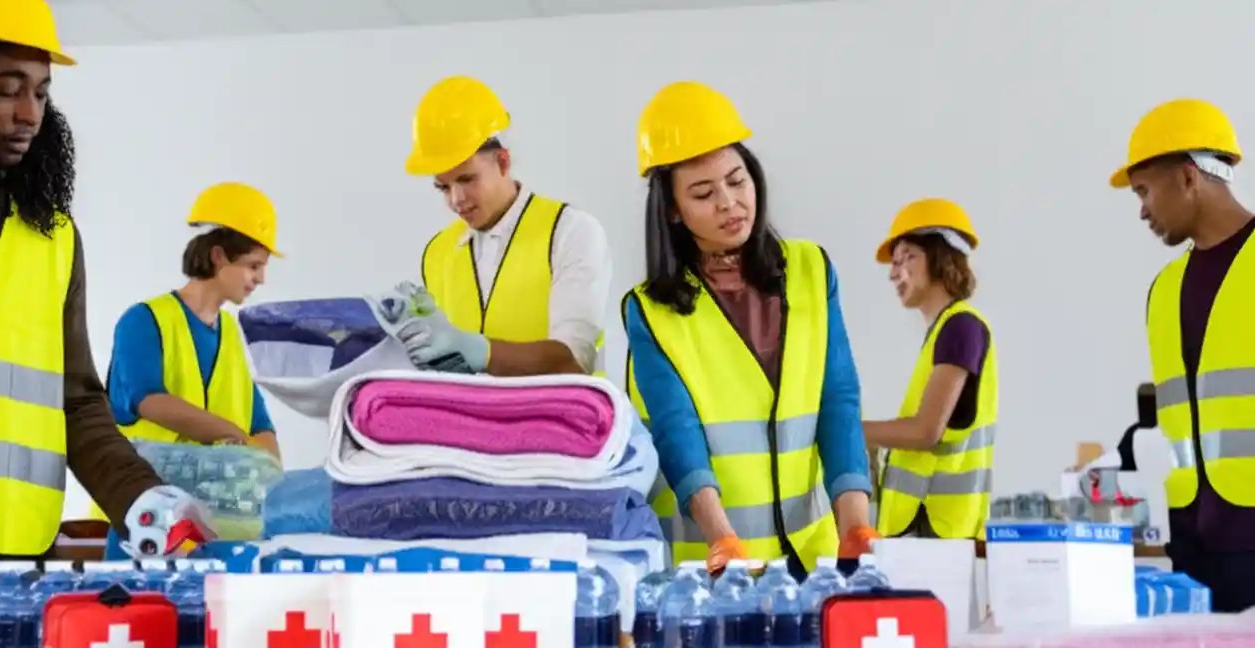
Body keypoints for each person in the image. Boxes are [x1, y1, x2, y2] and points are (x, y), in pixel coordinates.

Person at [0, 0, 210, 560]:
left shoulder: (51, 237)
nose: (29, 113)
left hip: (11, 551)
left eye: (41, 92)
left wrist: (143, 499)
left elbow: (76, 403)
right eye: (8, 89)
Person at [622, 80, 877, 578]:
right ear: (673, 211)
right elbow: (677, 432)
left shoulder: (811, 270)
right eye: (703, 193)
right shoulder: (651, 310)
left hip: (814, 556)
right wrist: (721, 539)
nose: (728, 203)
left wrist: (856, 526)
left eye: (737, 181)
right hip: (715, 567)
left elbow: (838, 400)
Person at [1111, 98, 1255, 612]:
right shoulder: (1164, 289)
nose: (1143, 209)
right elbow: (1180, 412)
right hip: (1192, 542)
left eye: (1145, 191)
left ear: (1190, 177)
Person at [98, 183, 283, 556]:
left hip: (218, 534)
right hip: (143, 525)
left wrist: (262, 469)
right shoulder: (144, 320)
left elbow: (261, 432)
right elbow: (147, 400)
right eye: (254, 265)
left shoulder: (235, 335)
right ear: (218, 256)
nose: (261, 278)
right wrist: (230, 436)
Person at [396, 75, 611, 377]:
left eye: (467, 179)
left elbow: (573, 361)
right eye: (442, 188)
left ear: (503, 162)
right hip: (468, 424)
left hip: (559, 421)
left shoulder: (570, 231)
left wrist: (480, 351)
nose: (456, 200)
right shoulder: (437, 253)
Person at [864, 199, 998, 541]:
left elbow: (925, 431)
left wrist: (851, 430)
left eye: (906, 257)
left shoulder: (961, 327)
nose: (894, 272)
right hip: (926, 529)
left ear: (941, 257)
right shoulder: (944, 330)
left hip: (936, 529)